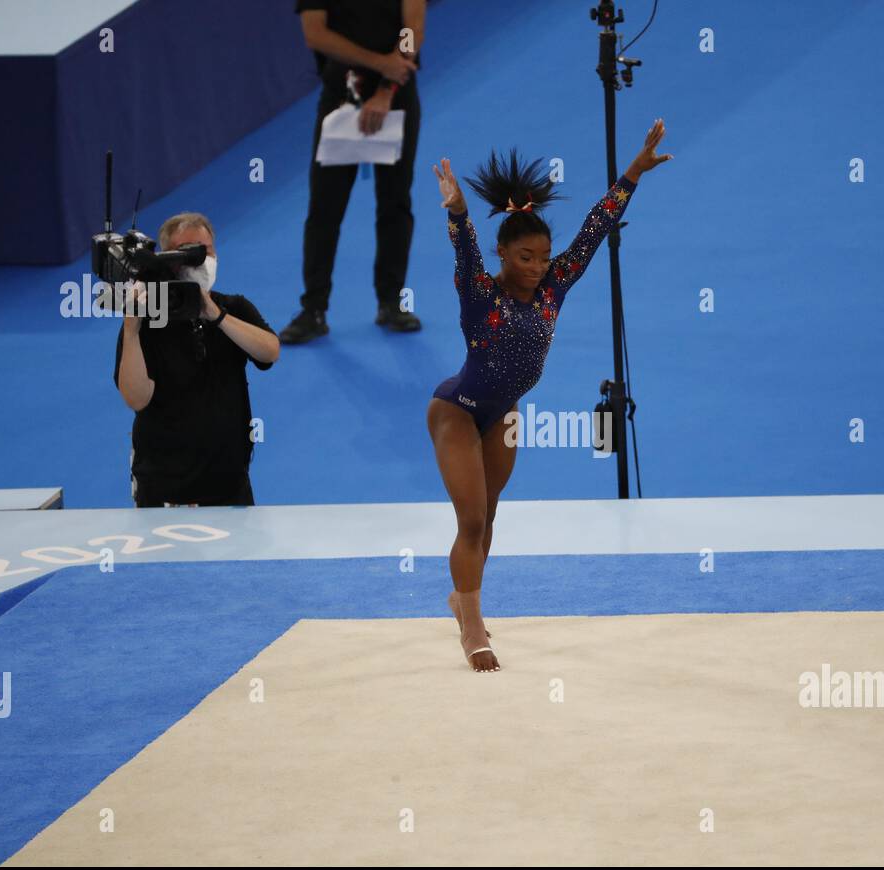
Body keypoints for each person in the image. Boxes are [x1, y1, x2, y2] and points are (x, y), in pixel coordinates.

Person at [428, 119, 673, 672]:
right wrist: (457, 212)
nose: (538, 268)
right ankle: (471, 627)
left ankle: (461, 597)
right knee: (470, 521)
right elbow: (465, 252)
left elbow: (594, 229)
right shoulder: (479, 292)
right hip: (458, 412)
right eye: (525, 259)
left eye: (543, 257)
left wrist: (634, 171)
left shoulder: (556, 282)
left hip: (504, 415)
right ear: (503, 255)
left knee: (489, 517)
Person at [280, 0, 425, 343]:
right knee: (323, 210)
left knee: (395, 202)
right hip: (340, 99)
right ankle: (313, 308)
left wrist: (387, 87)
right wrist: (380, 64)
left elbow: (412, 30)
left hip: (397, 96)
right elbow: (315, 34)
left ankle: (391, 302)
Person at [114, 213, 280, 506]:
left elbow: (269, 352)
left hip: (229, 479)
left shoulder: (233, 307)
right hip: (163, 484)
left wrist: (216, 315)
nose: (201, 258)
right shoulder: (149, 319)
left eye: (207, 249)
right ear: (167, 259)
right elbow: (137, 398)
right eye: (189, 250)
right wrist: (131, 329)